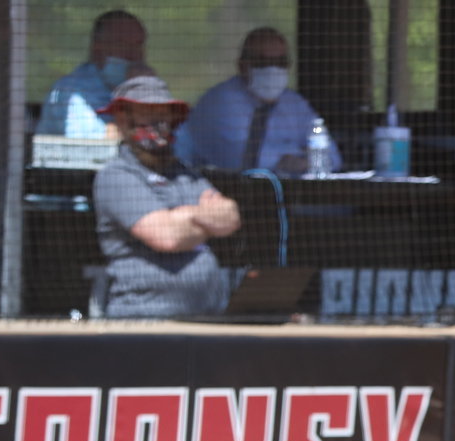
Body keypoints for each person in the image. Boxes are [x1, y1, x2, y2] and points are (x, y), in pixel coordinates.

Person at [93, 76, 241, 319]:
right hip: (144, 320)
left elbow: (230, 217)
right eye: (148, 114)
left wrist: (183, 217)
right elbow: (166, 237)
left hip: (206, 318)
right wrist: (204, 220)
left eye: (164, 115)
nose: (158, 124)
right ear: (122, 119)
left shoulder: (185, 174)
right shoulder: (115, 176)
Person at [175, 28, 342, 176]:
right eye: (263, 63)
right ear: (243, 66)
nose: (273, 70)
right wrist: (295, 155)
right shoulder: (220, 102)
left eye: (281, 63)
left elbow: (333, 158)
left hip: (294, 202)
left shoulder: (294, 103)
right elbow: (239, 158)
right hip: (225, 199)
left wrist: (283, 158)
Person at [36, 9, 146, 138]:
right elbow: (96, 143)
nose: (133, 55)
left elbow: (169, 135)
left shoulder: (144, 86)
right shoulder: (71, 91)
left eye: (138, 45)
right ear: (97, 48)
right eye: (121, 44)